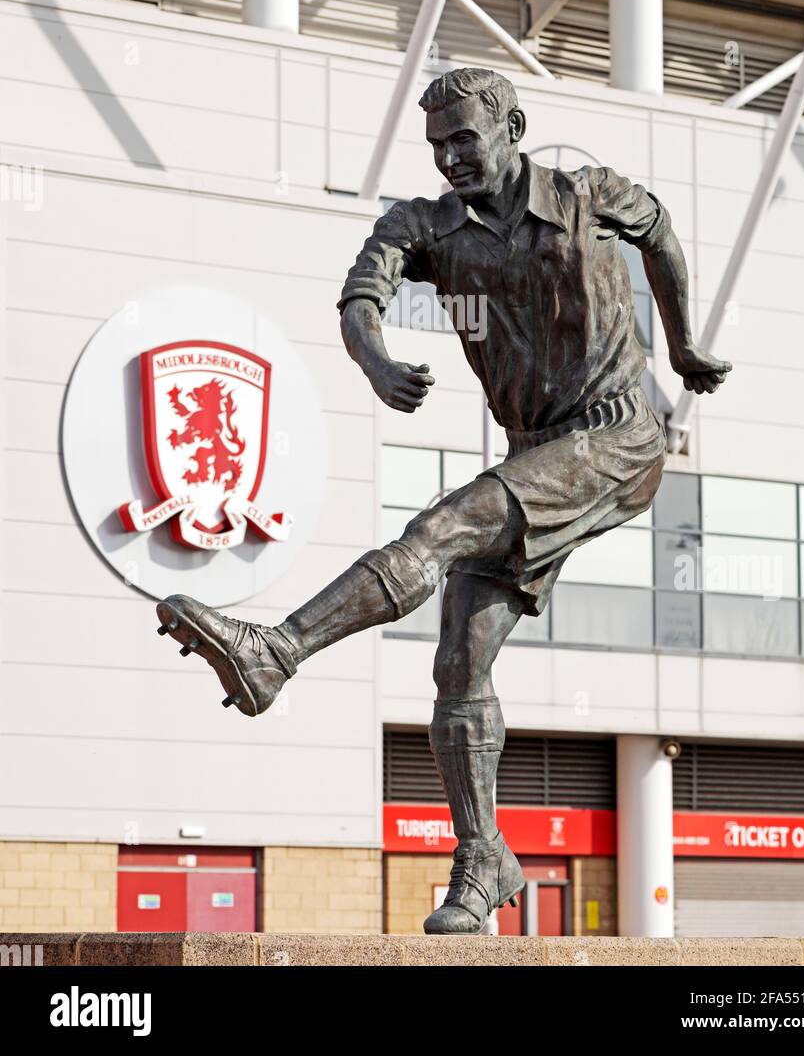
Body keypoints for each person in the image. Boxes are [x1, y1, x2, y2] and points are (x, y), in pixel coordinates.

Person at [156, 67, 731, 934]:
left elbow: (664, 238)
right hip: (539, 456)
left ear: (513, 127)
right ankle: (485, 856)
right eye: (438, 145)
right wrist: (377, 360)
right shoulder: (424, 227)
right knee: (460, 658)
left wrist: (684, 350)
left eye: (465, 137)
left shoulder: (585, 194)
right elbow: (360, 299)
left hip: (618, 436)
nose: (452, 156)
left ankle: (277, 650)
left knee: (442, 526)